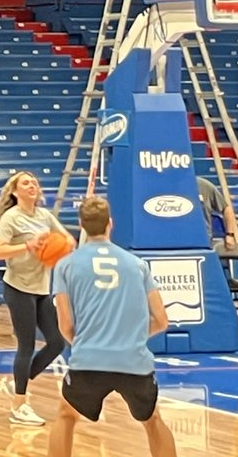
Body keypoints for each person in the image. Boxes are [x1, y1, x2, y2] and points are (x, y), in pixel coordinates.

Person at [49, 195, 177, 457]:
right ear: (110, 224)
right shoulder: (137, 264)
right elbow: (162, 320)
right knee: (153, 420)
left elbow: (65, 325)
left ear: (81, 226)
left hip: (89, 360)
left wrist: (88, 342)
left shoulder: (65, 266)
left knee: (66, 415)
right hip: (133, 360)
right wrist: (133, 338)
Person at [0, 169, 71, 426]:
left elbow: (68, 239)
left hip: (41, 287)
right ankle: (19, 405)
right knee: (26, 346)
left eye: (34, 182)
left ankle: (18, 382)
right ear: (15, 192)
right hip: (18, 287)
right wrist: (28, 246)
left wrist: (60, 245)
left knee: (57, 342)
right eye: (25, 183)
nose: (32, 185)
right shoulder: (11, 218)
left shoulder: (45, 216)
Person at [199, 174, 238, 248]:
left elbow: (226, 209)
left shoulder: (204, 185)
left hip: (203, 242)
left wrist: (230, 235)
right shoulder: (171, 187)